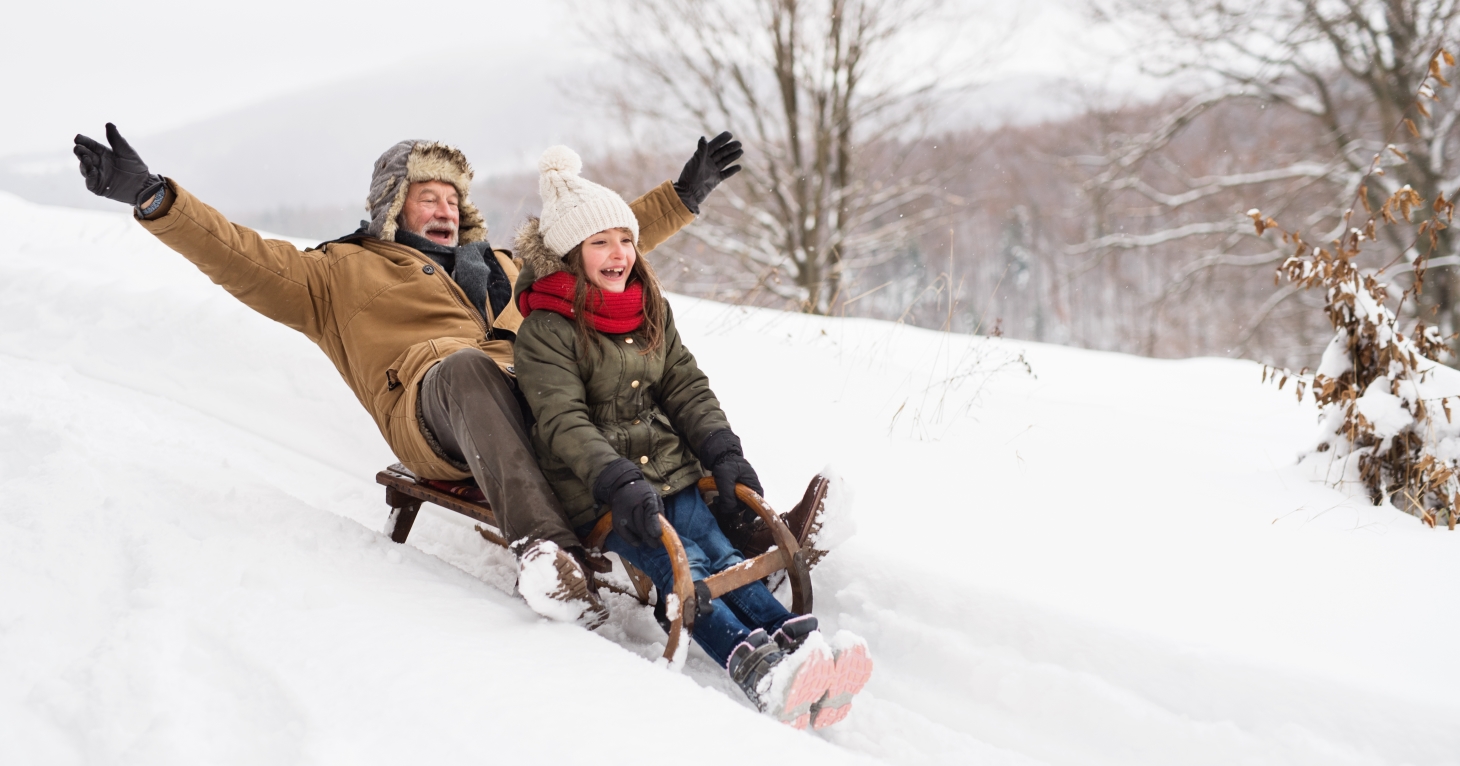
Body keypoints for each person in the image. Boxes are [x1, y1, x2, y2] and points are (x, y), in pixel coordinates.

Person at [71, 124, 743, 625]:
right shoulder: (336, 272)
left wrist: (682, 197)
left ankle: (730, 511)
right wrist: (157, 198)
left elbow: (597, 247)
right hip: (437, 408)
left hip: (534, 398)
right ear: (392, 203)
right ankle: (546, 553)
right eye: (428, 196)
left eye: (453, 197)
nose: (446, 208)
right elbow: (238, 255)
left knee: (616, 364)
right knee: (470, 368)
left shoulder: (506, 265)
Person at [511, 145, 873, 729]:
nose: (619, 254)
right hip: (606, 493)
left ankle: (799, 649)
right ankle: (753, 667)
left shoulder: (646, 307)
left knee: (725, 554)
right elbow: (562, 422)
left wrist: (722, 450)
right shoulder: (546, 330)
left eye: (625, 239)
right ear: (570, 255)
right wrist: (616, 479)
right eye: (600, 242)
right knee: (688, 573)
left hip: (672, 474)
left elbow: (684, 384)